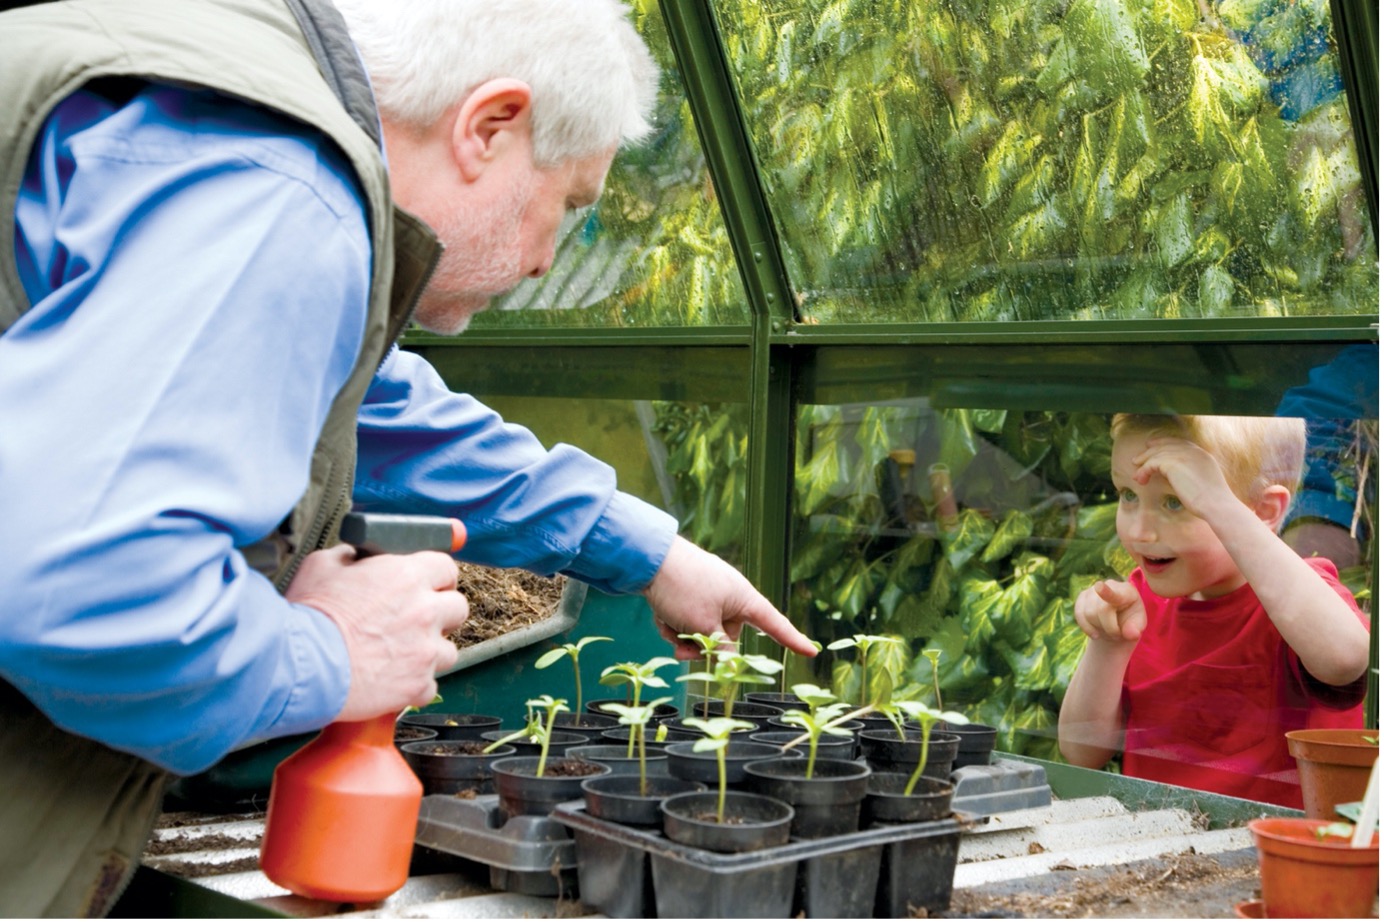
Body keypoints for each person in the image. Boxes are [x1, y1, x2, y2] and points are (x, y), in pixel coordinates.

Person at [0, 0, 814, 915]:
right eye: (572, 208)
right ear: (489, 127)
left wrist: (650, 553)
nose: (550, 259)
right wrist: (335, 654)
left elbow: (373, 410)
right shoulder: (284, 189)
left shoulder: (222, 102)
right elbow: (90, 594)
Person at [1057, 413, 1370, 809]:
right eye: (1128, 495)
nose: (1139, 531)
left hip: (1271, 856)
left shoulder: (1301, 600)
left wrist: (1215, 501)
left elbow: (1346, 660)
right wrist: (1109, 646)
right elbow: (1082, 752)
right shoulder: (1139, 601)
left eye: (1177, 501)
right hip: (1153, 849)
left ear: (1263, 511)